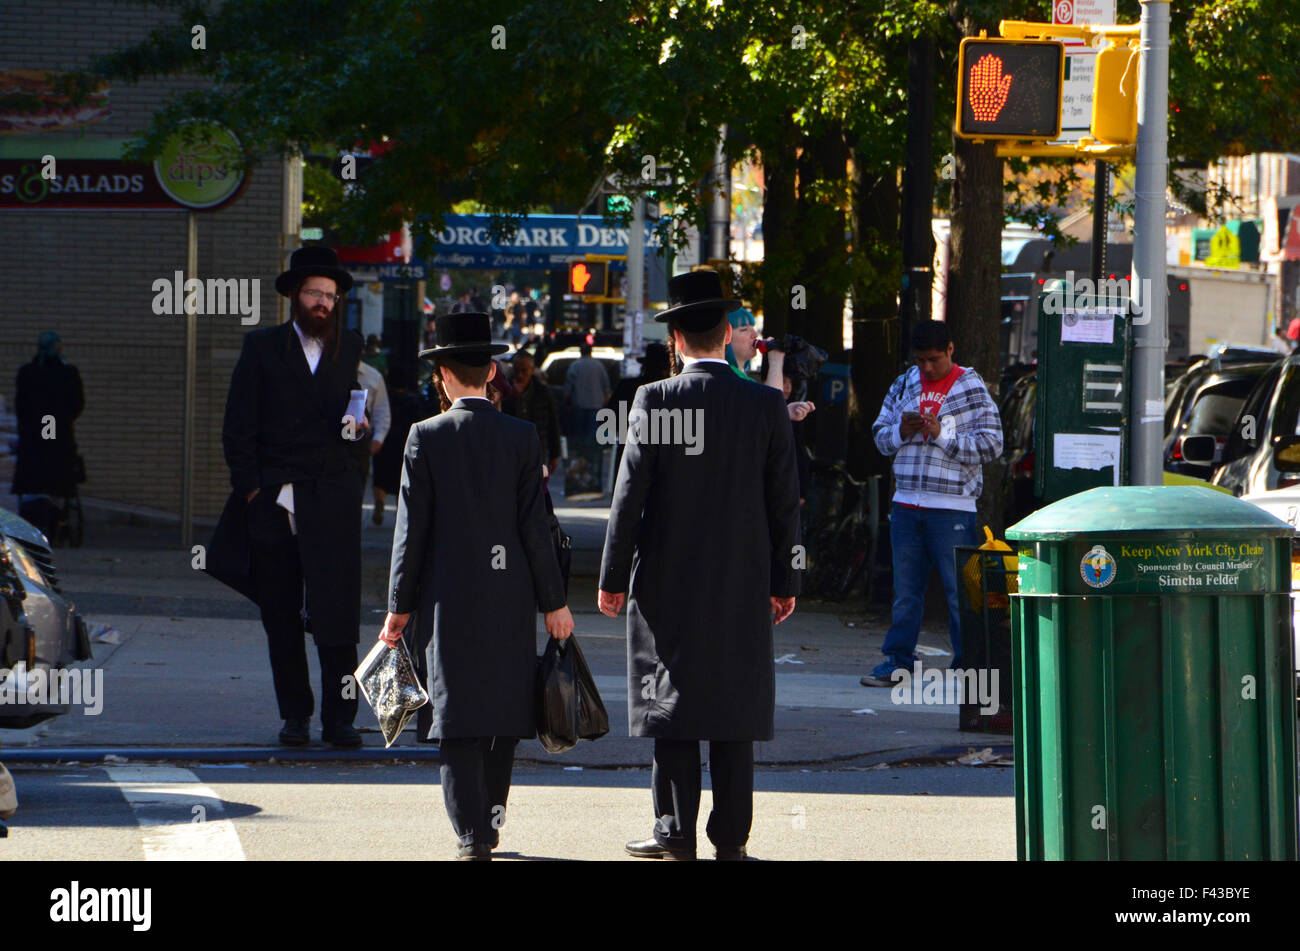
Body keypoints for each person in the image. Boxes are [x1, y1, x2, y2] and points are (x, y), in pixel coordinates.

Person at [598, 270, 802, 861]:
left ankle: (675, 831)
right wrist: (786, 581)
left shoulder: (656, 399)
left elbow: (627, 498)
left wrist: (612, 579)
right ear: (727, 333)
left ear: (678, 339)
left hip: (668, 581)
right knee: (734, 710)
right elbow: (783, 503)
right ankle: (731, 840)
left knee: (671, 706)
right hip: (742, 583)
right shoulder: (766, 404)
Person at [380, 311, 574, 861]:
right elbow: (535, 529)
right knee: (505, 715)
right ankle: (490, 823)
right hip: (508, 599)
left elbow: (409, 534)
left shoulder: (424, 437)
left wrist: (399, 607)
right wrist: (554, 603)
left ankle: (472, 836)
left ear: (443, 374)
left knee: (455, 715)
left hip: (445, 602)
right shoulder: (521, 436)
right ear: (491, 371)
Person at [204, 246, 368, 748]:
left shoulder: (350, 347)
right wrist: (253, 489)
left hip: (331, 502)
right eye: (315, 293)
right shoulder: (263, 347)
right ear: (295, 295)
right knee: (280, 616)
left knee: (336, 615)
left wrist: (357, 436)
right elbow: (238, 425)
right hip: (274, 502)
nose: (323, 302)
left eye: (331, 296)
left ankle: (340, 720)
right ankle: (295, 715)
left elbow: (355, 426)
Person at [859, 320, 1003, 688]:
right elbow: (879, 433)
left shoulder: (972, 387)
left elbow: (992, 444)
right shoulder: (905, 382)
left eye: (934, 360)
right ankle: (897, 662)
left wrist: (943, 435)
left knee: (959, 594)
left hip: (953, 506)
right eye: (921, 360)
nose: (926, 368)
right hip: (907, 503)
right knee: (905, 593)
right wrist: (900, 432)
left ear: (951, 350)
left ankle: (968, 666)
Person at [12, 331, 84, 539]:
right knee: (56, 479)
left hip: (35, 439)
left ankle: (39, 519)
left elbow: (22, 406)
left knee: (37, 478)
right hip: (56, 437)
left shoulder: (28, 372)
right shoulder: (67, 373)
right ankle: (56, 520)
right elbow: (76, 405)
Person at [722, 307, 815, 423]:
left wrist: (785, 411)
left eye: (753, 328)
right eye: (744, 329)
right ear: (727, 336)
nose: (755, 334)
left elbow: (763, 412)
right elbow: (771, 412)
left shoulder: (743, 379)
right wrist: (776, 362)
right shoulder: (729, 376)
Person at [505, 350, 561, 474]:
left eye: (524, 371)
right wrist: (514, 397)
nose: (520, 375)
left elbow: (552, 423)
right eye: (516, 370)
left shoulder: (542, 392)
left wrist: (555, 454)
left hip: (536, 448)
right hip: (510, 450)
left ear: (532, 370)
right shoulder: (505, 392)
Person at [353, 350, 392, 511]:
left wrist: (378, 438)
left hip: (360, 442)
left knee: (356, 492)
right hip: (334, 441)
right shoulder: (329, 372)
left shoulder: (373, 377)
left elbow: (382, 410)